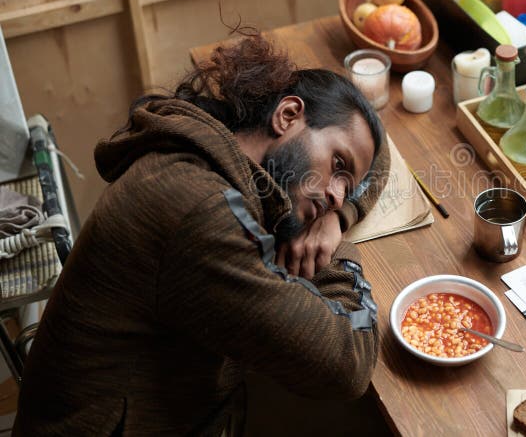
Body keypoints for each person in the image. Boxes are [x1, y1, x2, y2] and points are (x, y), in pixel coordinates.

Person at [14, 34, 390, 435]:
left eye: (347, 185)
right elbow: (347, 363)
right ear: (287, 115)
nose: (336, 194)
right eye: (338, 164)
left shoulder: (214, 143)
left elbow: (380, 153)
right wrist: (340, 252)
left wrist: (338, 216)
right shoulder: (201, 213)